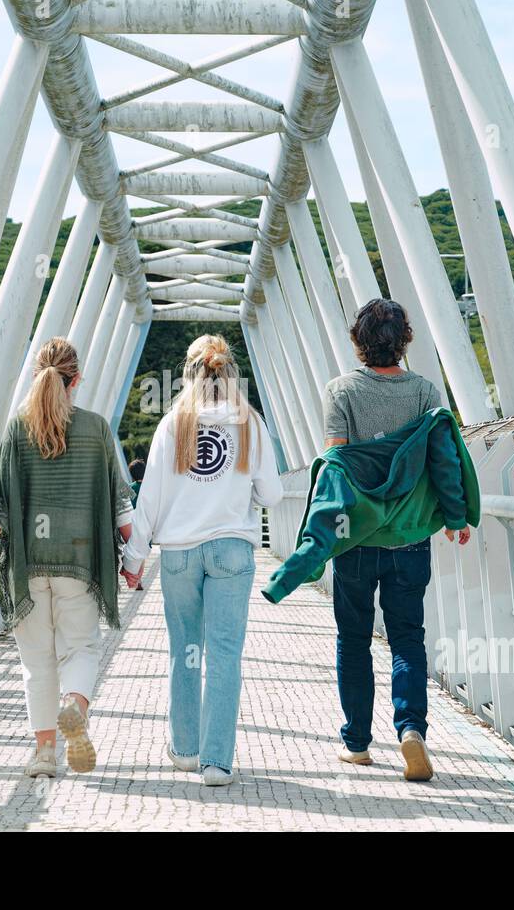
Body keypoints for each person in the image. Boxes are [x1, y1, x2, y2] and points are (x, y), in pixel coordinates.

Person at [281, 299, 472, 781]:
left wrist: (319, 537)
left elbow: (337, 469)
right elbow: (444, 460)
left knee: (353, 638)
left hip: (355, 540)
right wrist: (455, 516)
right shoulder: (426, 393)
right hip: (409, 538)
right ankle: (411, 730)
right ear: (404, 340)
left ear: (358, 341)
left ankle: (358, 744)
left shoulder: (341, 391)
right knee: (408, 637)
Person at [0, 337, 135, 779]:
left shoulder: (16, 430)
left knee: (36, 661)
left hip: (29, 562)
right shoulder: (96, 428)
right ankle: (74, 706)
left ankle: (43, 754)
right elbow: (118, 502)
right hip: (79, 560)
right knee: (79, 647)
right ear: (76, 379)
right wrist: (133, 557)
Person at [120, 335, 282, 786]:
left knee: (186, 650)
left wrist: (134, 561)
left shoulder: (174, 424)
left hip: (179, 554)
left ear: (189, 374)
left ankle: (186, 749)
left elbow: (148, 501)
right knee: (225, 655)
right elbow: (271, 493)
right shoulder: (250, 422)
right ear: (231, 373)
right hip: (231, 548)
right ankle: (217, 762)